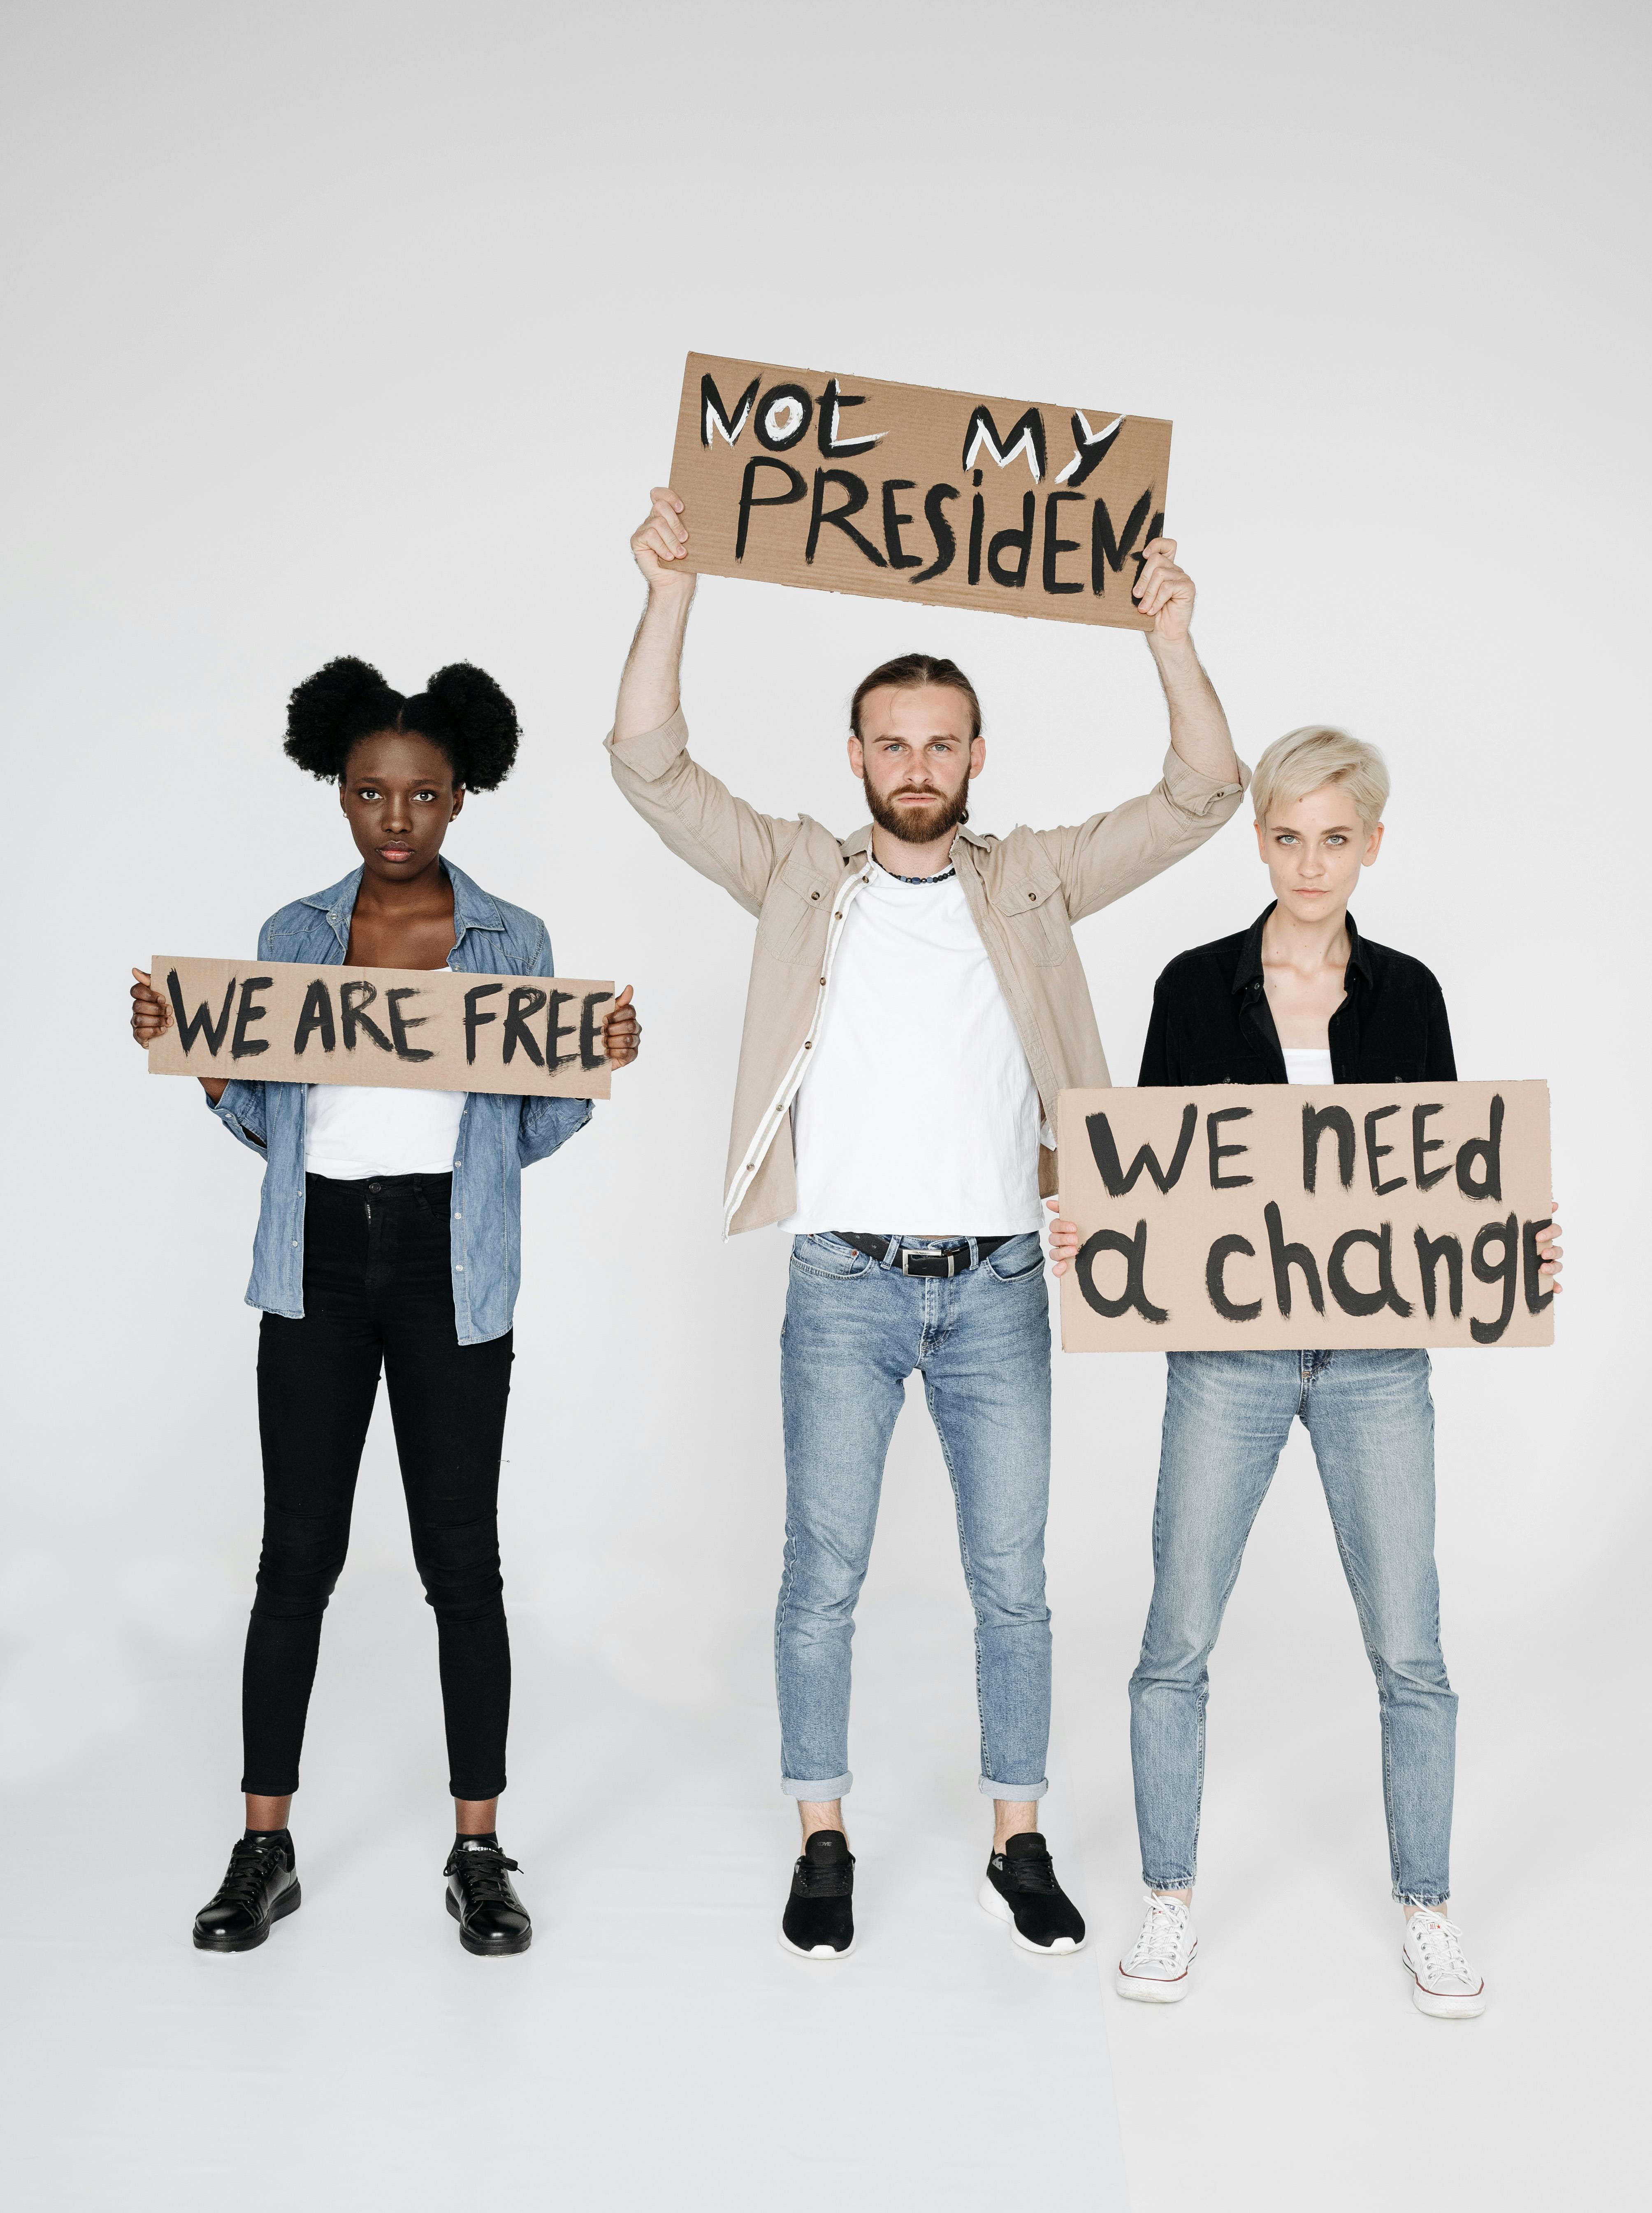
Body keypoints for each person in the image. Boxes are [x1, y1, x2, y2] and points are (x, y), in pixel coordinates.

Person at [610, 485, 1246, 1961]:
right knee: (820, 1571)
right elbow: (648, 764)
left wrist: (1172, 634)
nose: (915, 765)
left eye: (940, 742)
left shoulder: (1030, 878)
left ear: (974, 756)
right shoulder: (796, 874)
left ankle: (1017, 1838)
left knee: (1011, 1580)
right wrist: (671, 590)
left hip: (1005, 1285)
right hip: (842, 1285)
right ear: (857, 756)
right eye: (890, 743)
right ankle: (823, 1834)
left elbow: (1203, 794)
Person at [1049, 724, 1562, 2018]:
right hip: (1227, 1358)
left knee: (1411, 1647)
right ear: (1259, 839)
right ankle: (1168, 1898)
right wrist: (1096, 1223)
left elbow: (1443, 1176)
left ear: (1372, 846)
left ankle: (1428, 1908)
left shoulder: (1411, 994)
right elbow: (1152, 1173)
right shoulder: (1189, 987)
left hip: (1378, 1364)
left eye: (1338, 837)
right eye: (1289, 834)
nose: (1312, 859)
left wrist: (1508, 1236)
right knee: (1177, 1635)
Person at [130, 658, 640, 1958]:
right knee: (293, 1558)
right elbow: (269, 1116)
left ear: (461, 797)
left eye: (420, 796)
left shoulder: (510, 939)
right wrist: (201, 1062)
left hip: (448, 1264)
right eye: (370, 795)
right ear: (339, 795)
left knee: (459, 1562)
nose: (395, 820)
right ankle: (264, 1845)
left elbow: (532, 1122)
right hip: (313, 1259)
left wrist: (595, 1065)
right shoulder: (294, 934)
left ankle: (479, 1849)